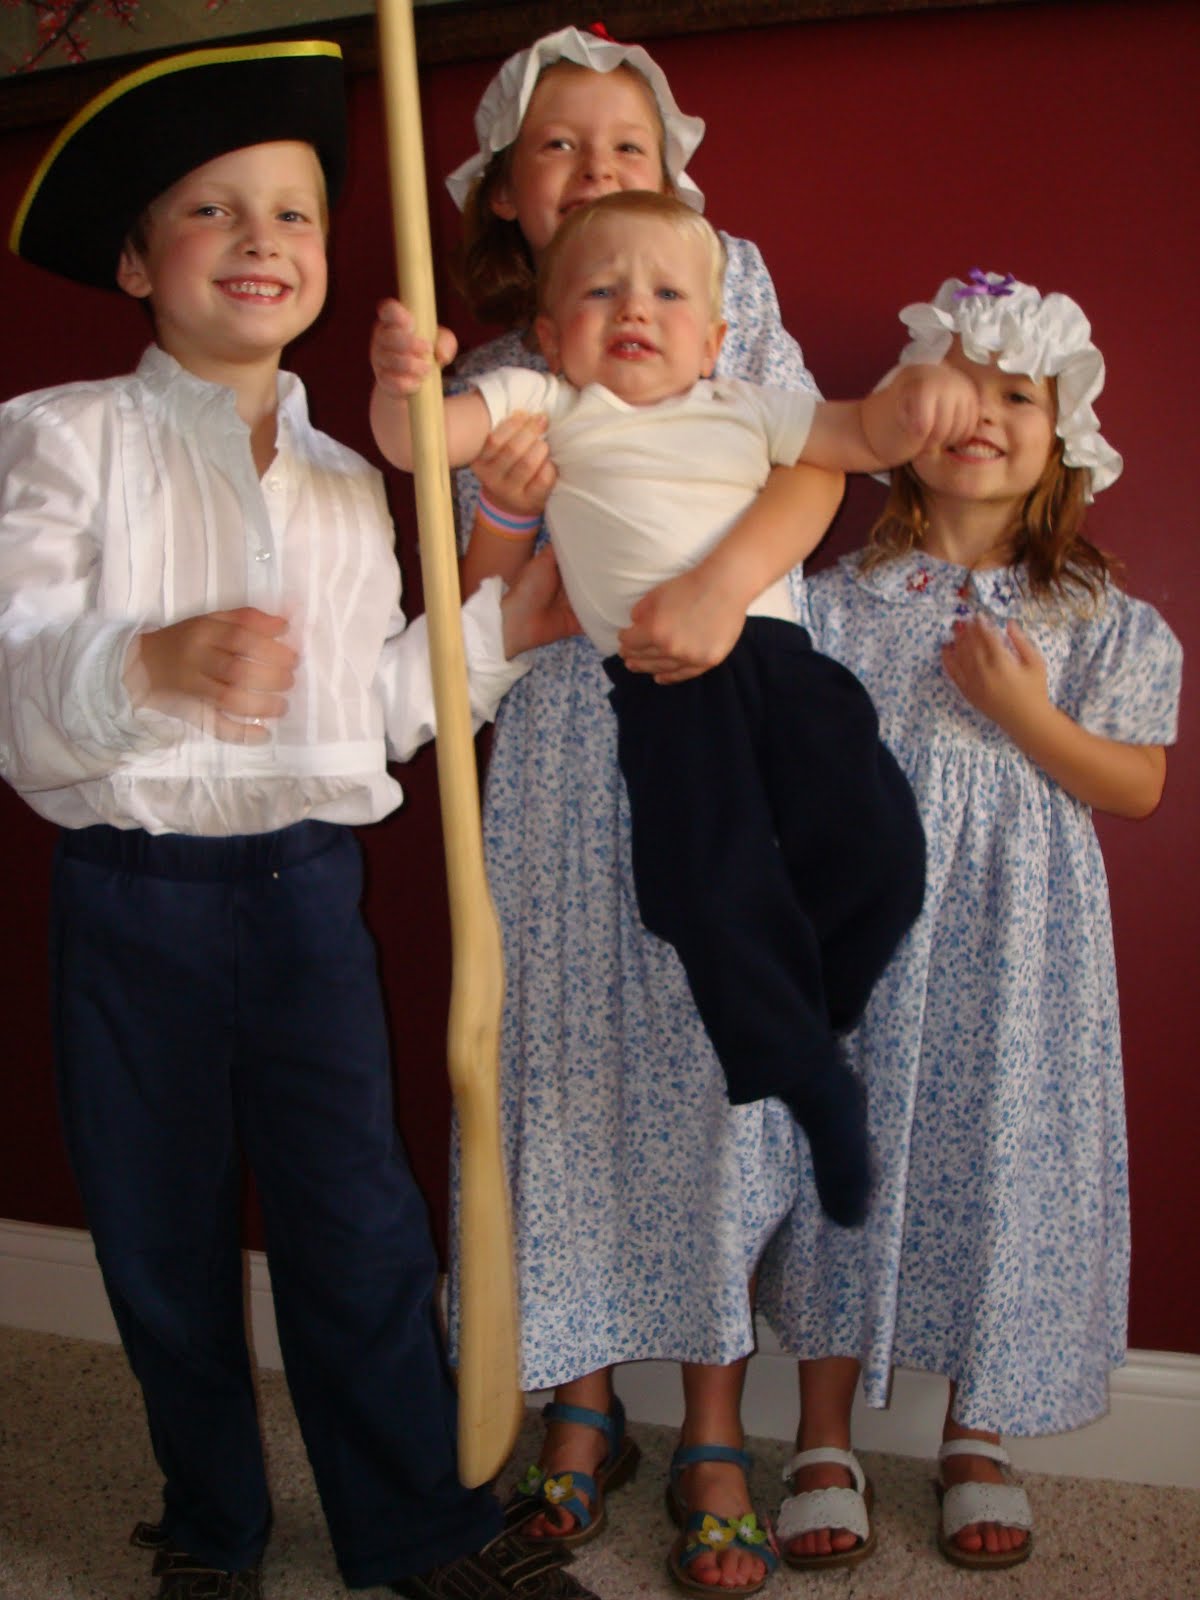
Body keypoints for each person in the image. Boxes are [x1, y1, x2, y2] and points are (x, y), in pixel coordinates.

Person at [1, 42, 591, 1600]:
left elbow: (381, 709)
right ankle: (210, 1523)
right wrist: (148, 659)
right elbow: (11, 672)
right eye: (211, 209)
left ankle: (423, 1526)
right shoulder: (62, 441)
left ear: (333, 259)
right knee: (159, 1241)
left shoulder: (355, 483)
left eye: (294, 212)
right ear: (137, 260)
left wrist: (496, 633)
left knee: (360, 1222)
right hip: (131, 903)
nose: (261, 239)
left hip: (307, 897)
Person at [400, 24, 848, 1596]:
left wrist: (723, 589)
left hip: (728, 744)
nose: (598, 171)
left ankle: (717, 1418)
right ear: (505, 202)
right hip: (566, 770)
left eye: (628, 147)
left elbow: (812, 467)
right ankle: (582, 1407)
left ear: (682, 189)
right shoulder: (495, 383)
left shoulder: (728, 309)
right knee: (563, 1078)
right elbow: (471, 612)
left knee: (722, 1071)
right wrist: (508, 504)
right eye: (559, 149)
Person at [369, 189, 968, 1226]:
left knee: (881, 853)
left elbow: (861, 434)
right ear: (554, 336)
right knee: (702, 886)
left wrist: (912, 404)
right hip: (663, 684)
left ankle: (802, 1028)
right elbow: (424, 442)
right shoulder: (546, 401)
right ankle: (811, 1080)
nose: (633, 308)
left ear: (716, 338)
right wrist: (404, 382)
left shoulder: (747, 403)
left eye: (665, 292)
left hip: (781, 662)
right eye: (601, 292)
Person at [755, 271, 1183, 1575]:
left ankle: (978, 1430)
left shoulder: (1101, 618)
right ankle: (822, 1432)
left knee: (1001, 1160)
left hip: (1023, 949)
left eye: (1021, 395)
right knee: (851, 1152)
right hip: (867, 941)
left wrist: (1027, 715)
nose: (986, 416)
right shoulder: (838, 602)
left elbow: (1141, 782)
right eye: (962, 389)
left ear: (1065, 441)